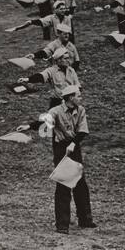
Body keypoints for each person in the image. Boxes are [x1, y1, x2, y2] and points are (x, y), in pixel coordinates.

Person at [49, 83, 95, 233]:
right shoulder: (56, 111)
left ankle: (85, 219)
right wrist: (29, 126)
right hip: (61, 148)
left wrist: (74, 144)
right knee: (63, 185)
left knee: (80, 183)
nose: (81, 98)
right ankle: (62, 225)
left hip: (74, 147)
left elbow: (82, 132)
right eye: (78, 96)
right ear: (70, 98)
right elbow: (45, 122)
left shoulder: (80, 110)